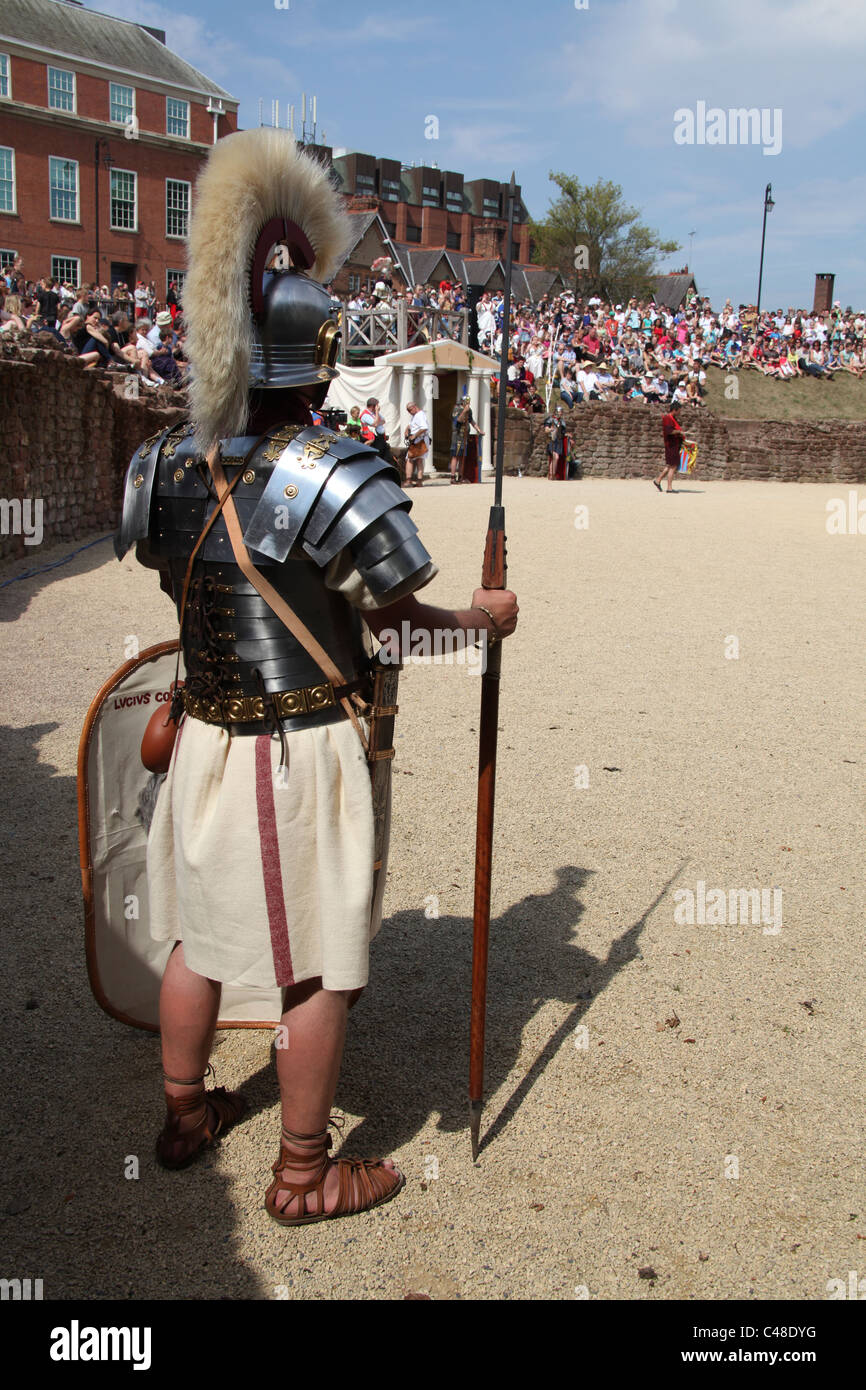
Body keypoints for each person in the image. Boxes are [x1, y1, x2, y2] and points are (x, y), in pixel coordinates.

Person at [115, 128, 518, 1226]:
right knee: (319, 970)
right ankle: (304, 1174)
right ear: (315, 362)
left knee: (199, 936)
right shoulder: (330, 469)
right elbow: (395, 630)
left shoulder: (160, 467)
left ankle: (186, 1111)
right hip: (293, 753)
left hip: (200, 738)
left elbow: (190, 596)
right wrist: (479, 624)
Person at [654, 406, 684, 492]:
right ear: (674, 410)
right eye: (678, 411)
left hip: (674, 444)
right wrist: (679, 432)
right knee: (673, 466)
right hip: (671, 445)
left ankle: (658, 480)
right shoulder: (668, 418)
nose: (679, 413)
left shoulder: (671, 418)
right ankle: (669, 488)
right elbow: (669, 432)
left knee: (670, 465)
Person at [404, 400, 429, 487]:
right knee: (419, 460)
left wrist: (414, 436)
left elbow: (424, 427)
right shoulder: (416, 415)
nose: (409, 412)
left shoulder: (419, 415)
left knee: (410, 459)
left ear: (414, 407)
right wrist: (407, 430)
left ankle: (409, 480)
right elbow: (411, 425)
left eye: (410, 410)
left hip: (419, 441)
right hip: (418, 440)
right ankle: (419, 481)